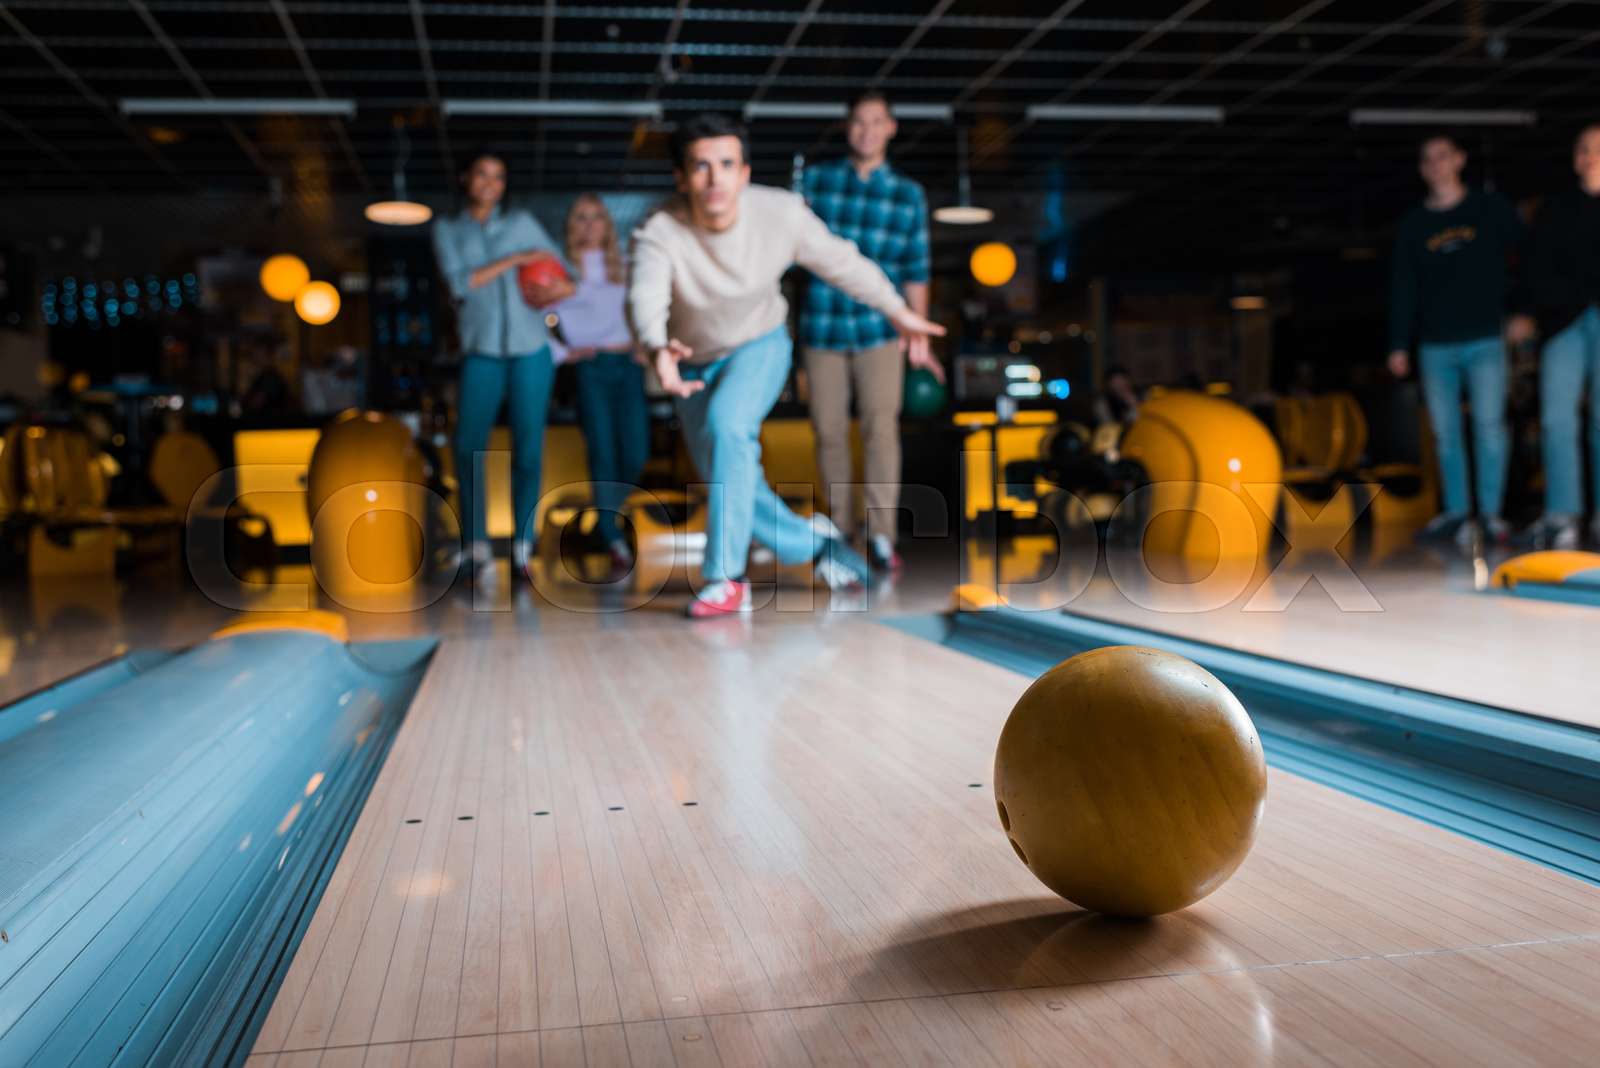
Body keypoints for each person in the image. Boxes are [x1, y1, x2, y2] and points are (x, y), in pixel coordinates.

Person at [627, 113, 946, 619]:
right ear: (682, 178)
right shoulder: (659, 230)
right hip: (691, 360)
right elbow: (645, 295)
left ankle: (725, 579)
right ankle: (815, 547)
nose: (715, 180)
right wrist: (656, 346)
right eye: (701, 168)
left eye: (727, 165)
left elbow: (844, 262)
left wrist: (899, 311)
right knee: (727, 479)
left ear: (745, 172)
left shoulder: (780, 214)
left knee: (729, 429)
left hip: (759, 345)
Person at [799, 90, 941, 573]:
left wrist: (918, 337)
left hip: (881, 329)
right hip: (822, 325)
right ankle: (840, 530)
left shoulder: (907, 194)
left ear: (891, 128)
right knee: (829, 431)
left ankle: (881, 536)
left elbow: (915, 268)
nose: (866, 130)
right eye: (858, 122)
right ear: (848, 128)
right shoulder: (817, 182)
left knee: (882, 431)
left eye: (876, 122)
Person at [432, 147, 573, 585]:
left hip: (532, 349)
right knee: (469, 448)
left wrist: (552, 290)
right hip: (481, 350)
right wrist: (515, 260)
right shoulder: (447, 229)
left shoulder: (524, 225)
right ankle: (475, 548)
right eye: (482, 174)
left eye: (498, 176)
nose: (490, 184)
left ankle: (522, 548)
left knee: (528, 452)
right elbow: (460, 283)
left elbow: (564, 278)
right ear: (466, 180)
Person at [1386, 133, 1526, 546]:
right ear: (1422, 169)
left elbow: (1527, 256)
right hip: (1435, 344)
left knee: (1488, 426)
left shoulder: (1489, 209)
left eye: (1443, 156)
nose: (1435, 164)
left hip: (1485, 337)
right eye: (1427, 159)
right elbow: (1403, 286)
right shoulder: (1414, 225)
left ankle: (1490, 515)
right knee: (1445, 433)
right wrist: (1398, 343)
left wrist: (1523, 312)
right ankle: (1457, 512)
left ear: (1460, 160)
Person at [548, 193, 648, 576]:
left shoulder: (624, 266)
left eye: (596, 217)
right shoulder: (561, 271)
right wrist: (562, 353)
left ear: (607, 224)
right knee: (603, 455)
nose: (589, 224)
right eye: (581, 217)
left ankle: (607, 519)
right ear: (571, 226)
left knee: (636, 454)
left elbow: (645, 307)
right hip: (591, 367)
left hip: (628, 365)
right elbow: (535, 314)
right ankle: (611, 536)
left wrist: (644, 343)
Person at [1517, 124, 1600, 550]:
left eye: (1596, 149)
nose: (1588, 156)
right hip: (1564, 322)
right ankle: (1563, 514)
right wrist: (1535, 312)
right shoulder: (1557, 208)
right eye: (1582, 149)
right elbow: (1535, 267)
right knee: (1556, 419)